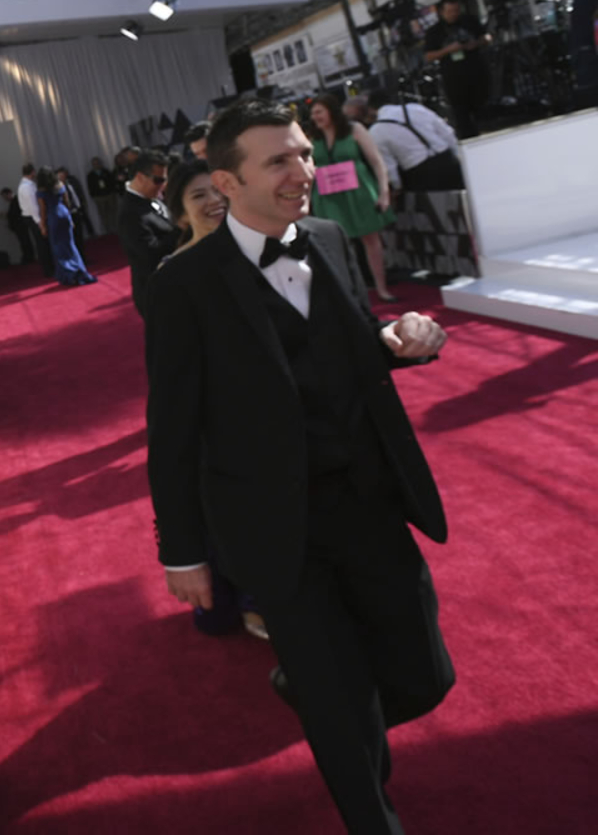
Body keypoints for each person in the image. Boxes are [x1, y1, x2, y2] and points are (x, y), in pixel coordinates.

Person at [147, 97, 455, 834]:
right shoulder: (183, 283)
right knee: (339, 703)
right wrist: (182, 551)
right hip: (277, 523)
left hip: (373, 499)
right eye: (279, 161)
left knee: (422, 674)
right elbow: (174, 431)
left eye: (303, 154)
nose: (303, 170)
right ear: (226, 183)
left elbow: (342, 348)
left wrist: (402, 338)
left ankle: (312, 690)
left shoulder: (323, 235)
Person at [158, 159, 266, 641]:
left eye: (216, 189)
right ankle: (248, 602)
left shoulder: (263, 250)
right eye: (197, 195)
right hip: (219, 426)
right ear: (180, 214)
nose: (213, 201)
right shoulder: (175, 275)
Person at [307, 93, 398, 301]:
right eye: (312, 113)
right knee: (338, 244)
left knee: (371, 239)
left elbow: (376, 161)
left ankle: (381, 288)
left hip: (359, 191)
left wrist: (384, 192)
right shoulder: (313, 137)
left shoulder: (354, 130)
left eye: (319, 111)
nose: (315, 117)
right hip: (328, 196)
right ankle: (353, 291)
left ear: (331, 110)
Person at [117, 150, 179, 319]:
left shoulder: (152, 198)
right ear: (140, 177)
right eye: (158, 180)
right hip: (158, 295)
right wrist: (181, 229)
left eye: (165, 180)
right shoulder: (130, 213)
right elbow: (152, 255)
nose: (163, 185)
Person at [366, 90, 464, 194]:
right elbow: (447, 133)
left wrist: (397, 187)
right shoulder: (415, 108)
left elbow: (390, 168)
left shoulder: (375, 131)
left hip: (419, 174)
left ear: (371, 109)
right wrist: (457, 155)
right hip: (446, 159)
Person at [424, 0, 491, 138]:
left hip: (476, 70)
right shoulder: (434, 32)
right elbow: (429, 56)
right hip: (453, 77)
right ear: (442, 12)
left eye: (456, 10)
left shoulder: (469, 21)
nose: (454, 14)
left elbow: (487, 37)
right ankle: (469, 136)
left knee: (483, 106)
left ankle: (488, 130)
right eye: (450, 11)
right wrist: (448, 50)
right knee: (461, 112)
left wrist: (476, 43)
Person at [43, 168, 97, 287]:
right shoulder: (60, 186)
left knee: (58, 247)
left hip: (53, 218)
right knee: (70, 245)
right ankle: (78, 271)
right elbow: (66, 202)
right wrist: (69, 217)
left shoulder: (42, 191)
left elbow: (43, 210)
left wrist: (43, 225)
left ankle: (68, 275)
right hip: (64, 215)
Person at [16, 164, 52, 277]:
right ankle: (48, 269)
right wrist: (40, 223)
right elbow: (33, 206)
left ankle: (49, 267)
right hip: (33, 218)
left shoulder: (25, 185)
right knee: (42, 244)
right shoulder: (27, 187)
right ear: (32, 172)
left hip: (32, 217)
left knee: (42, 243)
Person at [0, 186, 37, 264]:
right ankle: (28, 257)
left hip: (21, 226)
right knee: (24, 242)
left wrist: (7, 215)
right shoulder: (15, 200)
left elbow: (16, 213)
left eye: (4, 196)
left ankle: (29, 257)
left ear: (8, 194)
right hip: (20, 226)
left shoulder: (16, 200)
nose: (5, 199)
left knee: (25, 242)